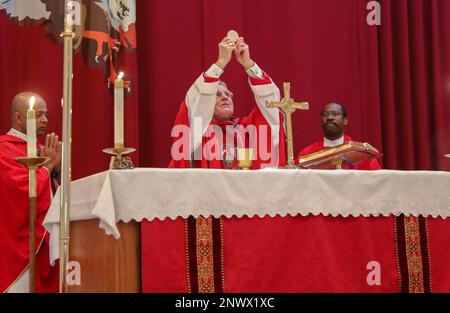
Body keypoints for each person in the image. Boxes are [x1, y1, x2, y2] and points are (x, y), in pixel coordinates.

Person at [170, 36, 286, 169]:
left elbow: (271, 106)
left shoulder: (247, 130)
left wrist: (248, 64)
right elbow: (195, 103)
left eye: (228, 94)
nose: (225, 97)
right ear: (206, 103)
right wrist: (221, 62)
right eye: (217, 95)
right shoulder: (196, 131)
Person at [0, 92, 60, 292]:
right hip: (17, 248)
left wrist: (56, 173)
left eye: (46, 115)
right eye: (38, 115)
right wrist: (48, 167)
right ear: (19, 118)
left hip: (45, 242)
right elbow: (20, 191)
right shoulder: (3, 150)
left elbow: (58, 195)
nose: (45, 120)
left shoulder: (43, 149)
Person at [296, 102, 381, 170]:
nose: (329, 117)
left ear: (345, 121)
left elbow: (375, 181)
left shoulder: (361, 152)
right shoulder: (307, 154)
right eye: (325, 114)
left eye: (335, 114)